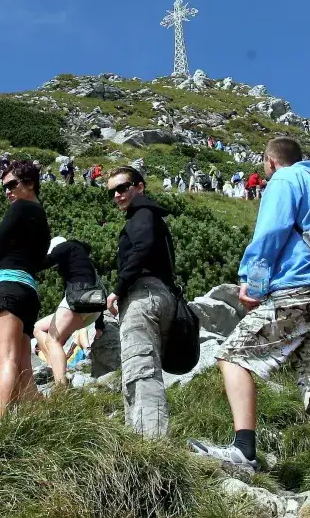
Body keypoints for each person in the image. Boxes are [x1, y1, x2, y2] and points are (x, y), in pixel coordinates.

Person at [186, 139, 310, 490]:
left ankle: (244, 450)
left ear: (270, 161)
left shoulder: (285, 179)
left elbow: (271, 232)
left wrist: (252, 283)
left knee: (232, 355)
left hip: (298, 287)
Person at [104, 166, 176, 437]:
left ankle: (150, 443)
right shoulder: (150, 214)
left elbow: (142, 248)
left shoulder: (142, 213)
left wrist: (118, 289)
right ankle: (140, 437)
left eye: (123, 188)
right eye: (112, 192)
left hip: (142, 296)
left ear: (140, 186)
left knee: (140, 370)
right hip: (160, 295)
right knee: (143, 367)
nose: (117, 195)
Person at [0, 161, 50, 420]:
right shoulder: (41, 216)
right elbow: (40, 258)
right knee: (24, 367)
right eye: (4, 187)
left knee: (6, 362)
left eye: (12, 184)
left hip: (6, 286)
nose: (7, 191)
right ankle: (40, 420)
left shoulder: (20, 208)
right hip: (28, 289)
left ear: (30, 183)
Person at [35, 237, 102, 387]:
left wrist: (20, 264)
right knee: (39, 328)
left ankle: (61, 386)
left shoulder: (64, 246)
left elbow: (45, 262)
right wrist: (99, 325)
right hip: (94, 307)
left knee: (52, 340)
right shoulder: (84, 261)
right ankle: (54, 366)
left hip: (79, 300)